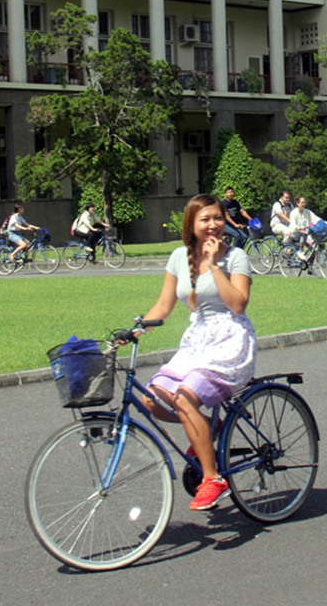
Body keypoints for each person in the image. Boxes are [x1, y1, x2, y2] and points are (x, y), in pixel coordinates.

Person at [137, 194, 256, 511]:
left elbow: (238, 303)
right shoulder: (179, 257)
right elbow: (164, 306)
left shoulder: (235, 257)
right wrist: (137, 328)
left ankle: (213, 478)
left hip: (229, 339)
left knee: (185, 397)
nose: (214, 224)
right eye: (206, 219)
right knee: (150, 398)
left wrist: (215, 265)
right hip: (196, 341)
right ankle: (209, 427)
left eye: (218, 218)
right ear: (191, 225)